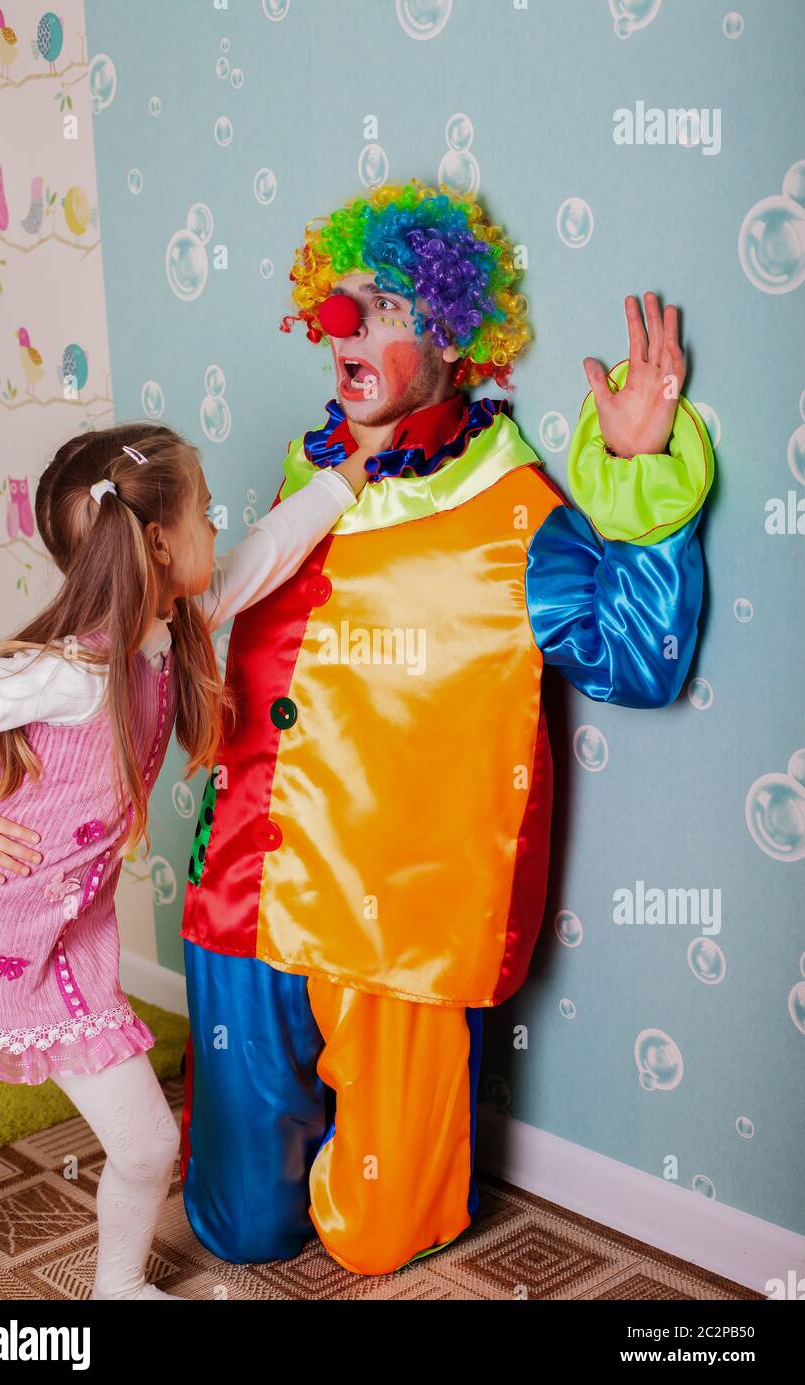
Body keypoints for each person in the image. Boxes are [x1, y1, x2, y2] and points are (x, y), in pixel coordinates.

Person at [178, 179, 715, 1276]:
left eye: (379, 306)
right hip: (244, 896)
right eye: (337, 304)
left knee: (376, 1238)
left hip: (400, 934)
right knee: (240, 1229)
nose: (341, 328)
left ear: (457, 337)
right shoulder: (306, 467)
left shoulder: (513, 509)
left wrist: (638, 470)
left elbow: (636, 662)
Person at [0, 422, 366, 1298]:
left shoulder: (171, 633)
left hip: (65, 945)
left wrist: (344, 483)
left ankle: (118, 1292)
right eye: (205, 510)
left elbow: (259, 560)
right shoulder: (66, 673)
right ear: (161, 542)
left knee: (148, 1146)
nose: (218, 522)